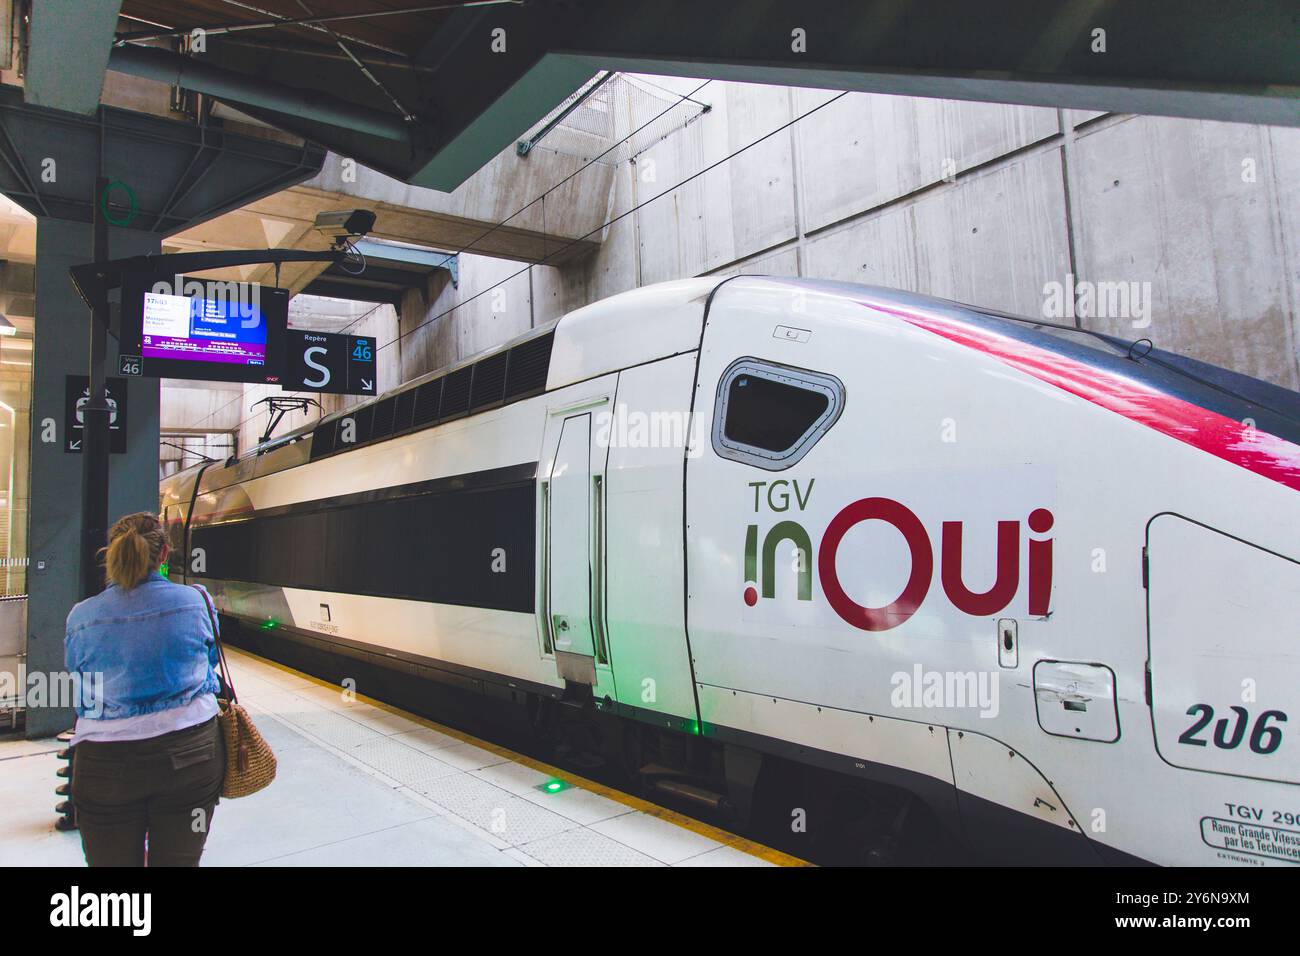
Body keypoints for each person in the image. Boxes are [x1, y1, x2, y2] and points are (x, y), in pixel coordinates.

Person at [64, 511, 225, 867]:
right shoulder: (196, 600)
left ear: (111, 553)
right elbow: (208, 663)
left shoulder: (81, 615)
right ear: (164, 554)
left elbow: (78, 675)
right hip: (191, 755)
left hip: (104, 764)